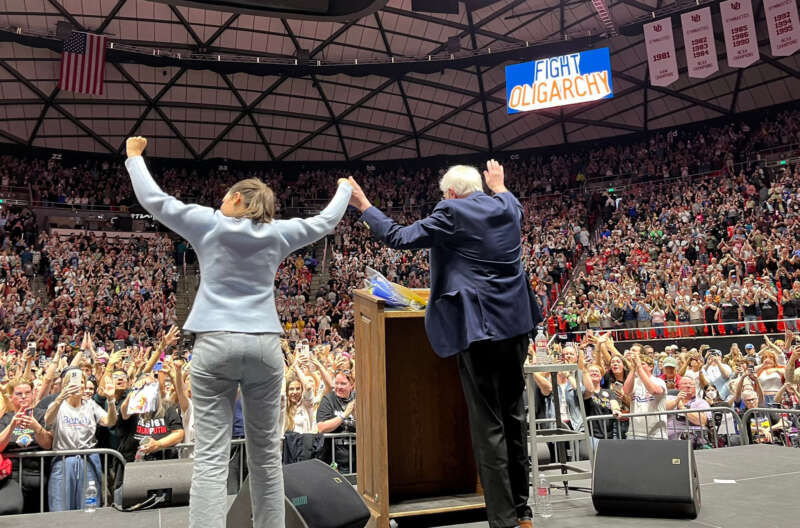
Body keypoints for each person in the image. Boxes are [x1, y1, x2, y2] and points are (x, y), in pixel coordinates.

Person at [124, 136, 352, 528]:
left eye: (226, 198)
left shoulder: (209, 224)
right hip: (264, 345)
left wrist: (133, 158)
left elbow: (155, 201)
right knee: (266, 457)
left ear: (240, 201)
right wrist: (345, 189)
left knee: (211, 458)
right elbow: (326, 222)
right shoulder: (279, 233)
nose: (220, 203)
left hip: (214, 343)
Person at [348, 160, 541, 528]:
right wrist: (498, 184)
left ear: (450, 193)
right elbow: (509, 200)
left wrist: (364, 205)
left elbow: (399, 238)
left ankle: (503, 521)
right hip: (516, 326)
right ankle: (522, 511)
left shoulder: (451, 210)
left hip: (479, 329)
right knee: (514, 418)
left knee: (489, 426)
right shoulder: (507, 205)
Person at [44, 367, 117, 511]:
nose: (78, 385)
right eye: (73, 381)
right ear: (65, 385)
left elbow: (110, 421)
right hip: (63, 459)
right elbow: (48, 420)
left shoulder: (90, 404)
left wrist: (111, 400)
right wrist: (59, 398)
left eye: (82, 381)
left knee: (89, 506)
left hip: (88, 458)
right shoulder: (58, 404)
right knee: (60, 506)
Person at [0, 378, 52, 514]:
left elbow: (47, 444)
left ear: (33, 394)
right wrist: (11, 427)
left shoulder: (43, 415)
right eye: (18, 394)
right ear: (11, 397)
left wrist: (36, 427)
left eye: (27, 392)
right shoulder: (6, 418)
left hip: (38, 474)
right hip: (12, 477)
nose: (23, 397)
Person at [316, 371, 356, 473]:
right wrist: (344, 415)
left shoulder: (358, 398)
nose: (339, 387)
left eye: (343, 384)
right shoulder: (328, 400)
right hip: (335, 460)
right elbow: (322, 427)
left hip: (359, 459)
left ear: (352, 385)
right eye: (336, 383)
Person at [623, 350, 667, 439]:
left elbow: (654, 391)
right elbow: (626, 391)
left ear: (651, 367)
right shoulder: (634, 381)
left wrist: (639, 368)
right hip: (634, 432)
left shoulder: (659, 381)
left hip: (656, 433)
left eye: (643, 364)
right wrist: (633, 368)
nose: (639, 365)